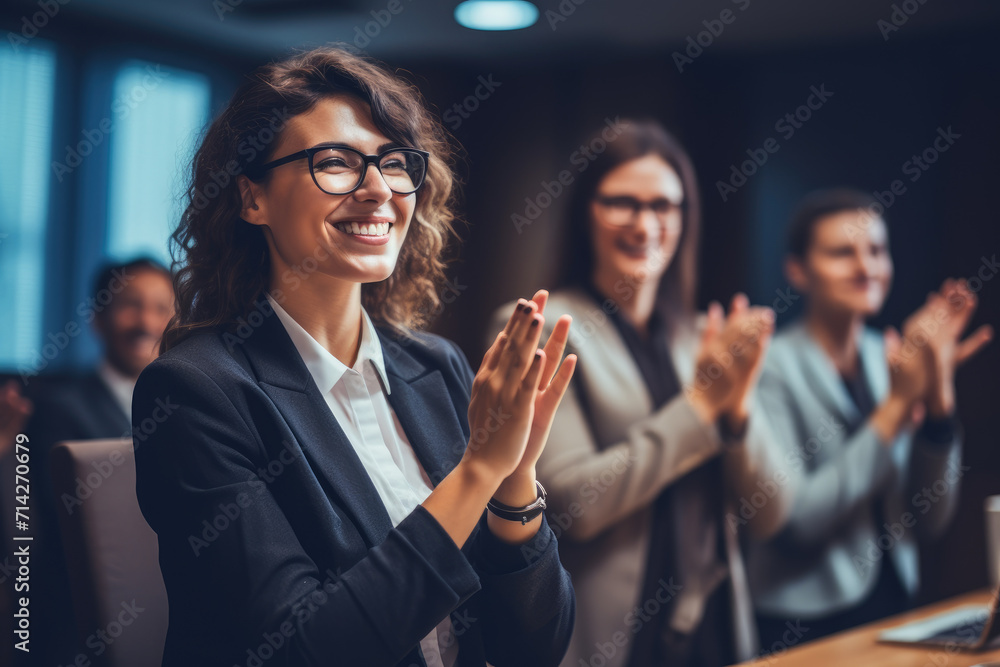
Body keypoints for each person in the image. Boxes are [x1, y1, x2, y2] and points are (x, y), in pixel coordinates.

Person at [131, 46, 577, 667]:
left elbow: (534, 649)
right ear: (251, 198)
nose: (377, 189)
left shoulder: (437, 365)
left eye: (394, 164)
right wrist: (478, 470)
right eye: (334, 162)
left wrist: (514, 481)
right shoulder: (194, 391)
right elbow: (304, 650)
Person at [486, 119, 792, 667]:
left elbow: (771, 515)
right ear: (586, 212)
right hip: (613, 639)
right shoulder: (543, 327)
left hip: (718, 633)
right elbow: (573, 504)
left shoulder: (703, 337)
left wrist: (737, 412)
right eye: (623, 202)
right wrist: (700, 408)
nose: (646, 223)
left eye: (664, 206)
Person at [746, 188, 993, 648]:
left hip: (895, 606)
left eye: (877, 251)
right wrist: (898, 406)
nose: (866, 268)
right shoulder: (769, 367)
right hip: (801, 624)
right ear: (797, 270)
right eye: (843, 253)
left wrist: (938, 395)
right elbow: (796, 523)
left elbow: (931, 520)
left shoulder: (890, 357)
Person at [0, 256, 173, 666]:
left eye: (162, 308)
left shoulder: (185, 410)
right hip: (82, 622)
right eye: (130, 304)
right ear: (98, 319)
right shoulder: (54, 408)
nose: (146, 321)